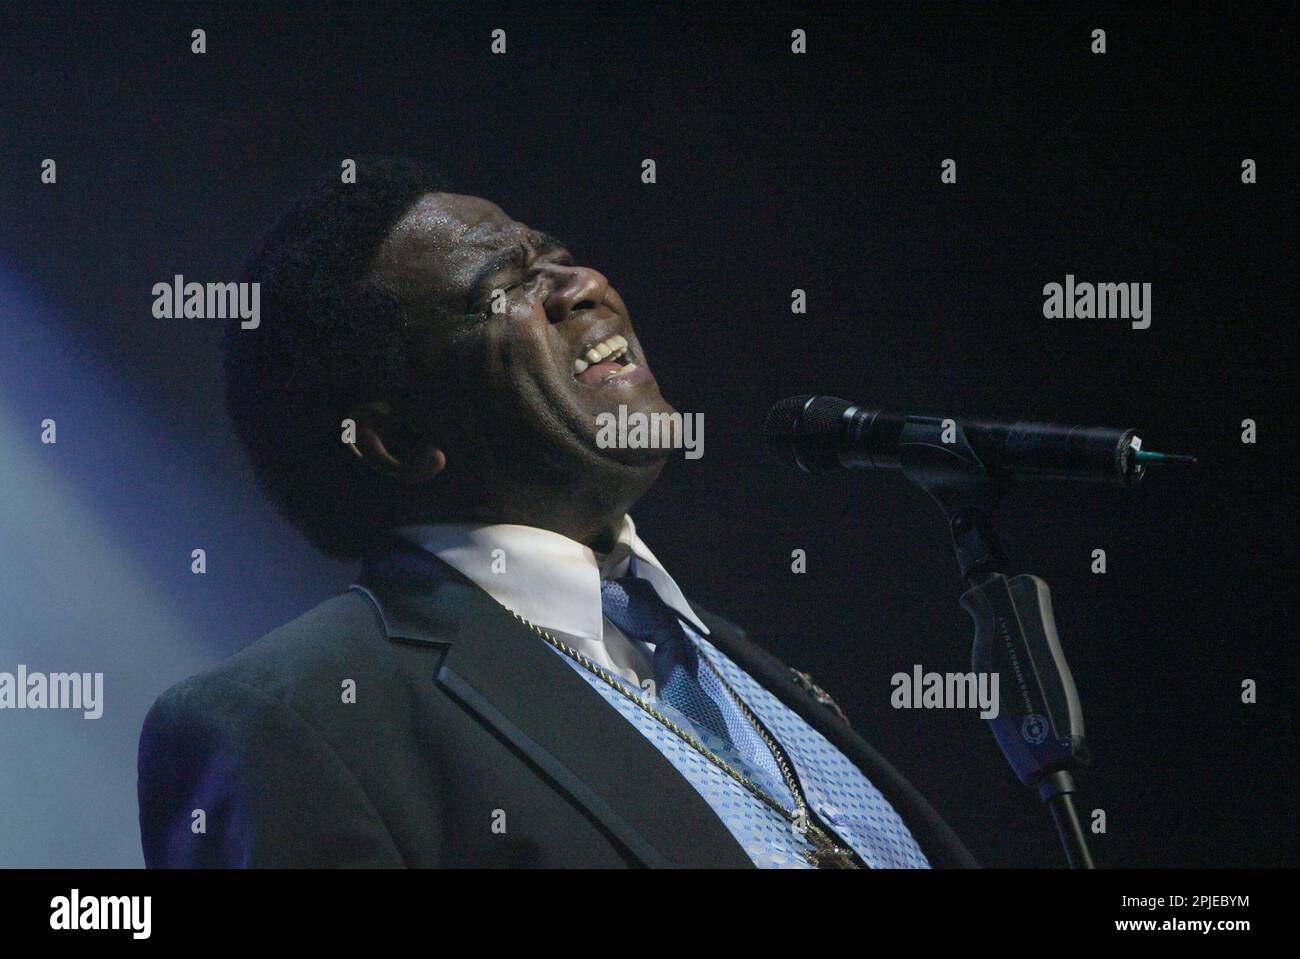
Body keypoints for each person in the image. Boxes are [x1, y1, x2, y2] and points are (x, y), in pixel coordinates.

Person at [137, 158, 976, 868]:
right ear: (396, 442)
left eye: (557, 256)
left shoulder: (732, 659)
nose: (582, 285)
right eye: (505, 285)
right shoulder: (294, 722)